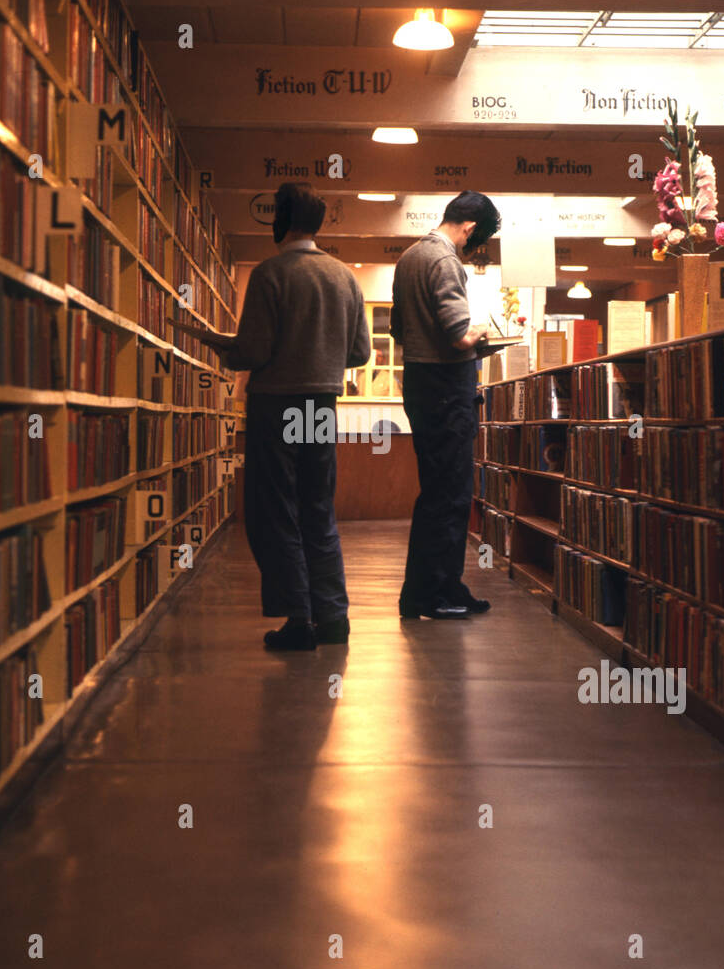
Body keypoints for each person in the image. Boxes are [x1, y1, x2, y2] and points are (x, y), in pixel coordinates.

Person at [174, 182, 371, 651]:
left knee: (277, 510)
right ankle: (334, 616)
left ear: (281, 221)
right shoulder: (345, 278)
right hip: (319, 406)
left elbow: (254, 352)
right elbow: (361, 353)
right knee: (318, 508)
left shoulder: (269, 274)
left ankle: (299, 619)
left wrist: (222, 345)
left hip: (278, 406)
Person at [391, 190, 500, 620]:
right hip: (446, 386)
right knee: (452, 494)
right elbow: (458, 334)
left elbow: (400, 330)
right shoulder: (444, 261)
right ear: (470, 228)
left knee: (436, 491)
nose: (472, 250)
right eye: (477, 241)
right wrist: (481, 335)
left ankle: (431, 589)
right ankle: (436, 593)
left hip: (420, 382)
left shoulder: (408, 258)